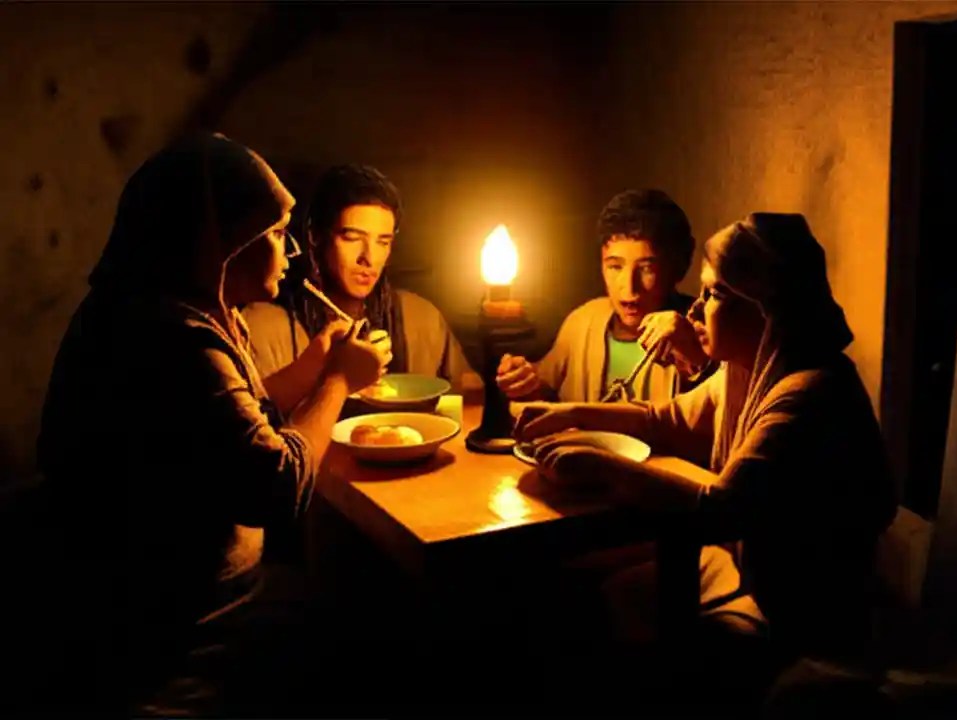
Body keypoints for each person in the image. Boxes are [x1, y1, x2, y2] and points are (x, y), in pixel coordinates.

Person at [36, 133, 390, 716]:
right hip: (176, 624)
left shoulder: (164, 308)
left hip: (184, 596)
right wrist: (337, 383)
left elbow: (227, 427)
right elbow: (276, 486)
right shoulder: (175, 339)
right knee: (369, 631)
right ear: (223, 241)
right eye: (275, 233)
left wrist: (312, 366)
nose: (289, 252)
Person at [515, 213, 897, 695]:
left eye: (714, 294)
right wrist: (569, 412)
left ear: (764, 307)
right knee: (598, 594)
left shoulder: (808, 390)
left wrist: (600, 463)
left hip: (801, 611)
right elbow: (665, 418)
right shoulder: (748, 369)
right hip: (750, 572)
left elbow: (721, 508)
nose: (695, 310)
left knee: (624, 632)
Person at [243, 164, 477, 400]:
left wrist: (499, 378)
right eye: (352, 238)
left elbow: (470, 396)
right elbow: (246, 414)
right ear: (316, 236)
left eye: (383, 242)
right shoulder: (265, 328)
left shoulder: (420, 319)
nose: (369, 258)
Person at [497, 189, 715, 403]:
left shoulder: (704, 330)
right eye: (615, 266)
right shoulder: (584, 322)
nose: (629, 287)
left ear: (678, 267)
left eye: (646, 268)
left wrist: (694, 356)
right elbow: (544, 391)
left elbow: (722, 404)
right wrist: (522, 381)